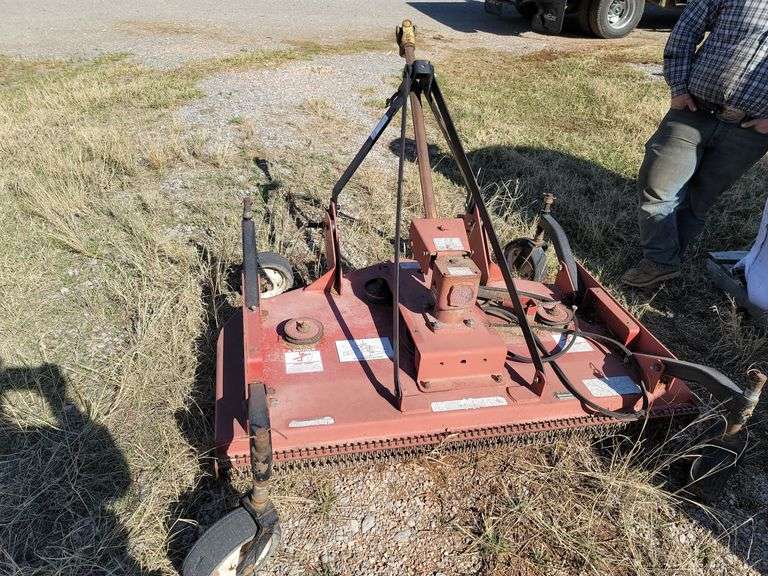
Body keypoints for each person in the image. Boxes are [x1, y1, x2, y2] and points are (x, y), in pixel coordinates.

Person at [622, 0, 768, 288]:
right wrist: (678, 88)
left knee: (699, 200)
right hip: (694, 110)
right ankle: (661, 261)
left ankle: (665, 261)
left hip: (749, 132)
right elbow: (687, 28)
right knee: (657, 187)